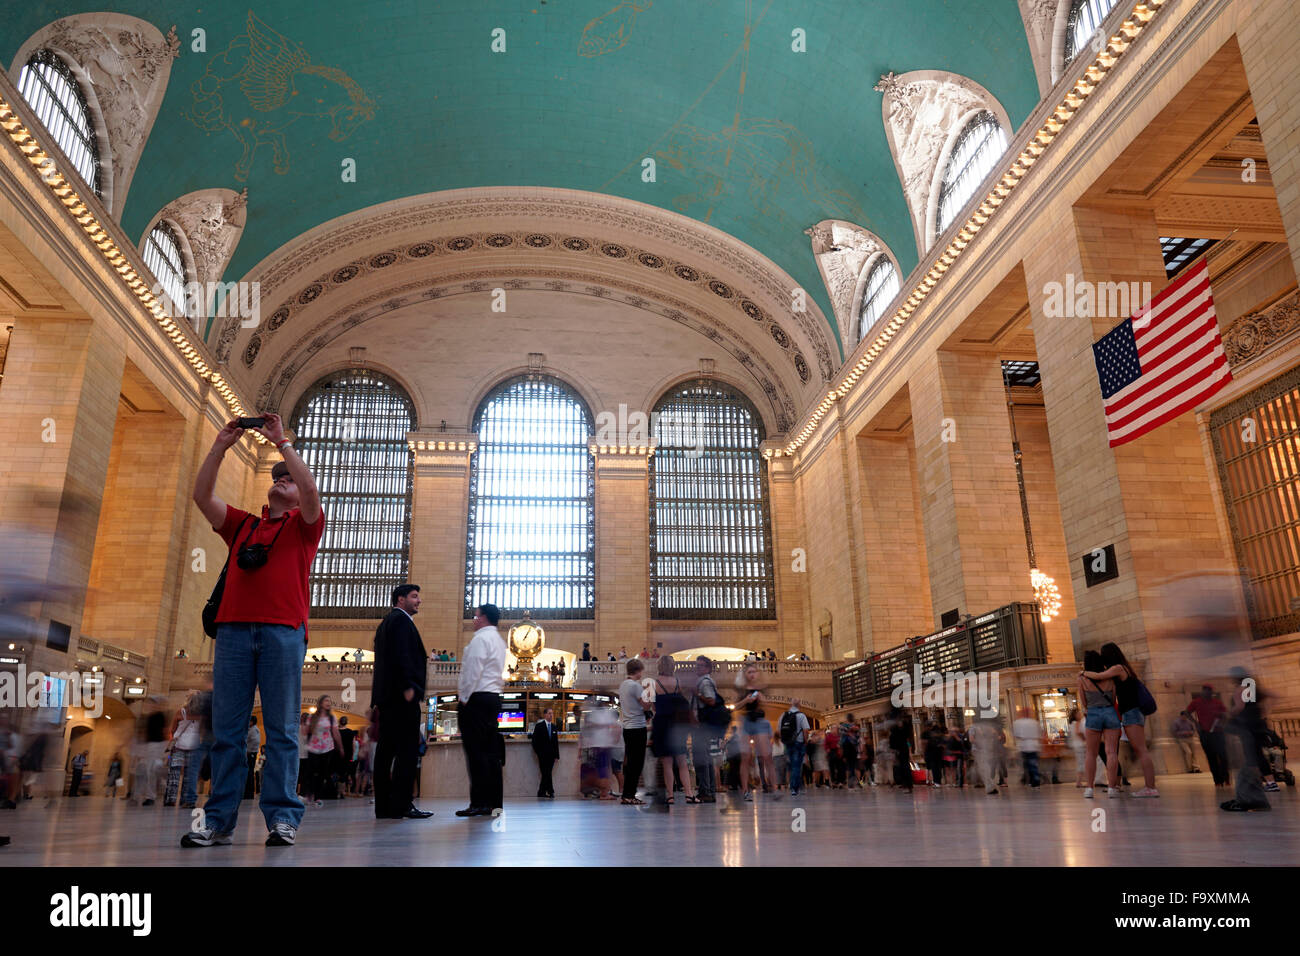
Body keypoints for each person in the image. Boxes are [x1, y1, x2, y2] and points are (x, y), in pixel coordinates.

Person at [182, 413, 325, 849]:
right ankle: (219, 820)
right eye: (276, 477)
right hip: (233, 633)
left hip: (284, 631)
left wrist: (282, 443)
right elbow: (201, 494)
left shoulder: (305, 527)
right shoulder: (244, 525)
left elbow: (313, 492)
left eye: (290, 479)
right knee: (226, 730)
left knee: (280, 729)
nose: (282, 479)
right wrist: (220, 446)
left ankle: (282, 818)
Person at [372, 584, 432, 819]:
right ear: (400, 599)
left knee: (386, 752)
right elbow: (401, 656)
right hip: (401, 698)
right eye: (414, 596)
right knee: (406, 752)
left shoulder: (387, 622)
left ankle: (384, 807)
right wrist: (409, 687)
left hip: (388, 698)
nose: (419, 601)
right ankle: (402, 804)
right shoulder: (401, 622)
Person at [1083, 643, 1157, 797]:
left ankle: (1150, 787)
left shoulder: (1118, 668)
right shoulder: (1123, 668)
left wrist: (1083, 672)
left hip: (1131, 712)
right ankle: (1121, 785)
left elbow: (1099, 676)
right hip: (1131, 712)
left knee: (1141, 750)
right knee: (1137, 750)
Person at [455, 603, 507, 818]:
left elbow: (472, 670)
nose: (474, 620)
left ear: (483, 618)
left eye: (476, 616)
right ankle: (494, 803)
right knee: (491, 754)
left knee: (476, 753)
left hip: (477, 698)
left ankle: (479, 802)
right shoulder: (499, 640)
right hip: (493, 697)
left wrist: (464, 698)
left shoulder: (480, 639)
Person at [1221, 668, 1272, 811]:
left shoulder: (1241, 689)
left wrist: (1227, 715)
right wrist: (1265, 713)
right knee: (1254, 760)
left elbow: (1239, 707)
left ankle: (1249, 799)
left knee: (1247, 763)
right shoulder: (1255, 688)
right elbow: (1274, 695)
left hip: (1245, 728)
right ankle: (1254, 799)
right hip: (1258, 727)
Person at [649, 656, 696, 807]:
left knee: (667, 762)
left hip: (662, 724)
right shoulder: (677, 682)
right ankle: (689, 794)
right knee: (682, 761)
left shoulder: (653, 684)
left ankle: (670, 795)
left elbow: (652, 707)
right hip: (677, 724)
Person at [733, 663, 779, 803]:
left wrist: (761, 699)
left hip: (759, 721)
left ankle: (775, 789)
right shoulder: (742, 690)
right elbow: (735, 706)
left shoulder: (761, 689)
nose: (752, 674)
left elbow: (767, 705)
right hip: (746, 721)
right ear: (745, 674)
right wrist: (746, 700)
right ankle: (745, 791)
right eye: (749, 672)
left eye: (754, 672)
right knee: (746, 757)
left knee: (767, 756)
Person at [1078, 650, 1121, 798]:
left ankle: (1089, 788)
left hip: (1093, 713)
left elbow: (1083, 702)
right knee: (1111, 752)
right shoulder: (1109, 678)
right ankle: (1112, 788)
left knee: (1091, 753)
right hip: (1110, 712)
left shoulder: (1082, 679)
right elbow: (1114, 698)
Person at [690, 656, 725, 803]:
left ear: (708, 668)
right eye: (696, 665)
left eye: (701, 666)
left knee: (701, 759)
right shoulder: (706, 681)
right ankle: (708, 791)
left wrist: (697, 694)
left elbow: (711, 700)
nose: (698, 668)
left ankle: (706, 791)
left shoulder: (704, 683)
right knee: (706, 758)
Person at [618, 658, 652, 806]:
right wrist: (650, 690)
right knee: (636, 764)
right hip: (638, 728)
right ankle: (630, 795)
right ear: (638, 671)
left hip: (627, 728)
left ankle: (627, 795)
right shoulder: (635, 686)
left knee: (631, 762)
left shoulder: (623, 685)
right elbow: (646, 706)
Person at [303, 696, 343, 808]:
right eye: (326, 700)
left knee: (322, 773)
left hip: (327, 748)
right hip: (313, 748)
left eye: (330, 701)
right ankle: (309, 794)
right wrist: (306, 725)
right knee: (311, 772)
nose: (328, 703)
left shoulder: (332, 718)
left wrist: (340, 747)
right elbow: (306, 732)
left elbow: (336, 733)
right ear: (320, 703)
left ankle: (318, 797)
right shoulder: (312, 717)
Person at [1187, 685, 1230, 787]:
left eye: (1209, 691)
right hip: (1205, 733)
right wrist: (1196, 723)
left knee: (1223, 756)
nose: (1207, 692)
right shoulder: (1196, 702)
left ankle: (1225, 777)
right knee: (1211, 757)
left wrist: (1222, 721)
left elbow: (1225, 714)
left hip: (1218, 732)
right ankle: (1218, 781)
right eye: (1205, 690)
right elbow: (1187, 712)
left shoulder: (1217, 702)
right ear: (1203, 692)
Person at [781, 700, 810, 797]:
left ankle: (793, 785)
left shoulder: (784, 715)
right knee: (797, 766)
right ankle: (794, 787)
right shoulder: (801, 715)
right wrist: (805, 742)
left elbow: (779, 730)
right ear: (799, 706)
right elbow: (806, 730)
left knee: (791, 765)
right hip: (798, 743)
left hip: (788, 743)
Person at [531, 707, 561, 798]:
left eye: (552, 713)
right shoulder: (539, 726)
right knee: (546, 772)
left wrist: (557, 755)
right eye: (549, 713)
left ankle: (541, 792)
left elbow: (556, 742)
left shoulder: (554, 727)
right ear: (545, 715)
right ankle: (550, 791)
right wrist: (538, 752)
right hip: (542, 755)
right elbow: (534, 741)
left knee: (546, 773)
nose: (551, 715)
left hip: (551, 755)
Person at [1012, 708, 1043, 788]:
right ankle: (1034, 780)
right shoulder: (1035, 722)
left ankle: (1030, 780)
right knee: (1033, 764)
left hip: (1023, 746)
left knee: (1027, 764)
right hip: (1034, 745)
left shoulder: (1017, 723)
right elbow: (1040, 734)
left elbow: (1016, 735)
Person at [887, 708, 913, 792]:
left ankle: (907, 784)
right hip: (901, 749)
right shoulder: (901, 726)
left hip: (900, 749)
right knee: (904, 766)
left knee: (904, 767)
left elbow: (893, 738)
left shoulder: (897, 728)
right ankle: (907, 784)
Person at [243, 717, 261, 800]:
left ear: (252, 722)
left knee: (249, 773)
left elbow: (255, 741)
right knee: (248, 773)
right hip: (251, 753)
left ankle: (248, 794)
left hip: (251, 754)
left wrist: (249, 751)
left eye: (249, 721)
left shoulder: (254, 730)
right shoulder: (252, 729)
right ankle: (247, 793)